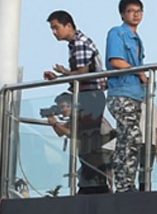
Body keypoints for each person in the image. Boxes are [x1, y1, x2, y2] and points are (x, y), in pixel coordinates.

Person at [44, 10, 109, 194]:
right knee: (87, 141)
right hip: (89, 94)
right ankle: (93, 183)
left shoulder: (79, 43)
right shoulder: (76, 44)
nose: (54, 32)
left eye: (56, 27)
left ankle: (95, 185)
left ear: (68, 26)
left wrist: (64, 74)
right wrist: (60, 76)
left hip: (91, 95)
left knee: (88, 141)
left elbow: (83, 72)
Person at [103, 0, 148, 193]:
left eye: (139, 10)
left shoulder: (137, 38)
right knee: (131, 135)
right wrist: (139, 72)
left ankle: (125, 182)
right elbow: (115, 61)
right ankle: (124, 184)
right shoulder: (118, 33)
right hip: (121, 91)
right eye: (131, 11)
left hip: (134, 94)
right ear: (123, 14)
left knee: (127, 138)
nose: (136, 14)